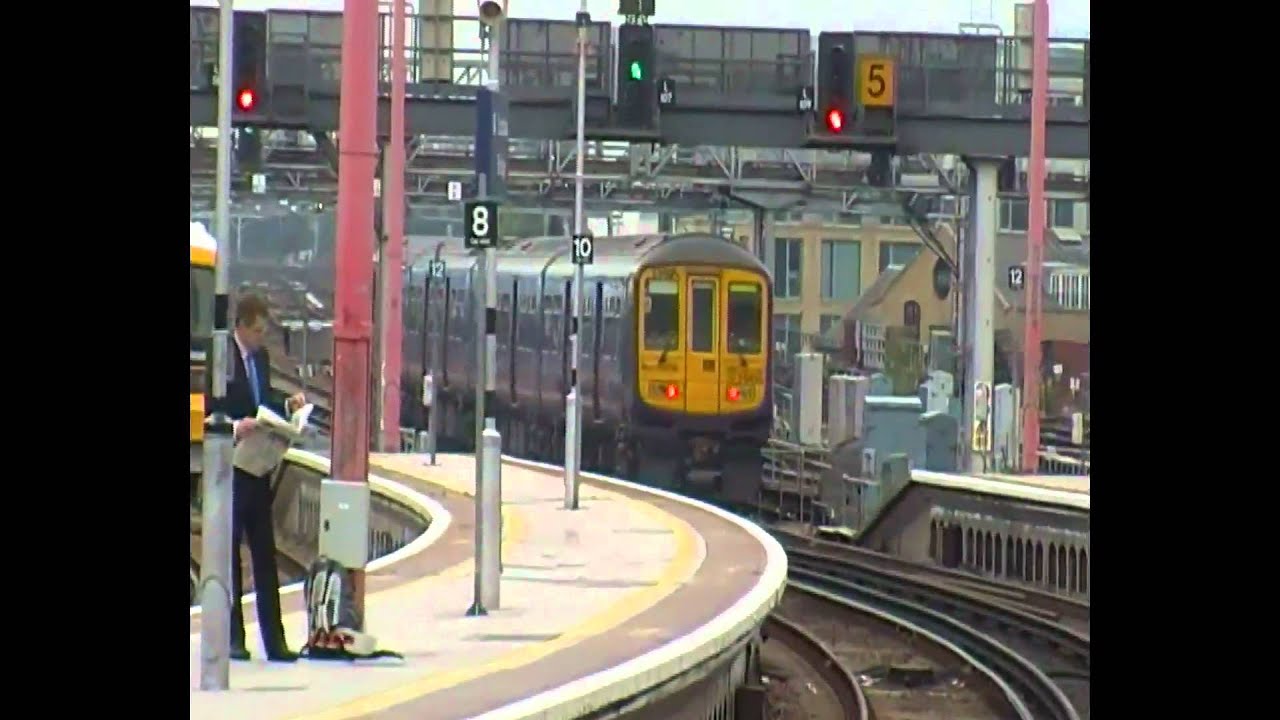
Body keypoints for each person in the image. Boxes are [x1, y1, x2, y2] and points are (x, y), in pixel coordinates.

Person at [207, 293, 306, 662]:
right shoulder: (222, 358)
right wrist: (235, 427)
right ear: (241, 327)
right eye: (257, 331)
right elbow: (210, 408)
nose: (261, 338)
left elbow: (261, 402)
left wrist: (286, 408)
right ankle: (234, 639)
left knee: (265, 554)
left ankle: (275, 642)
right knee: (230, 555)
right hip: (231, 468)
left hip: (258, 468)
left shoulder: (260, 359)